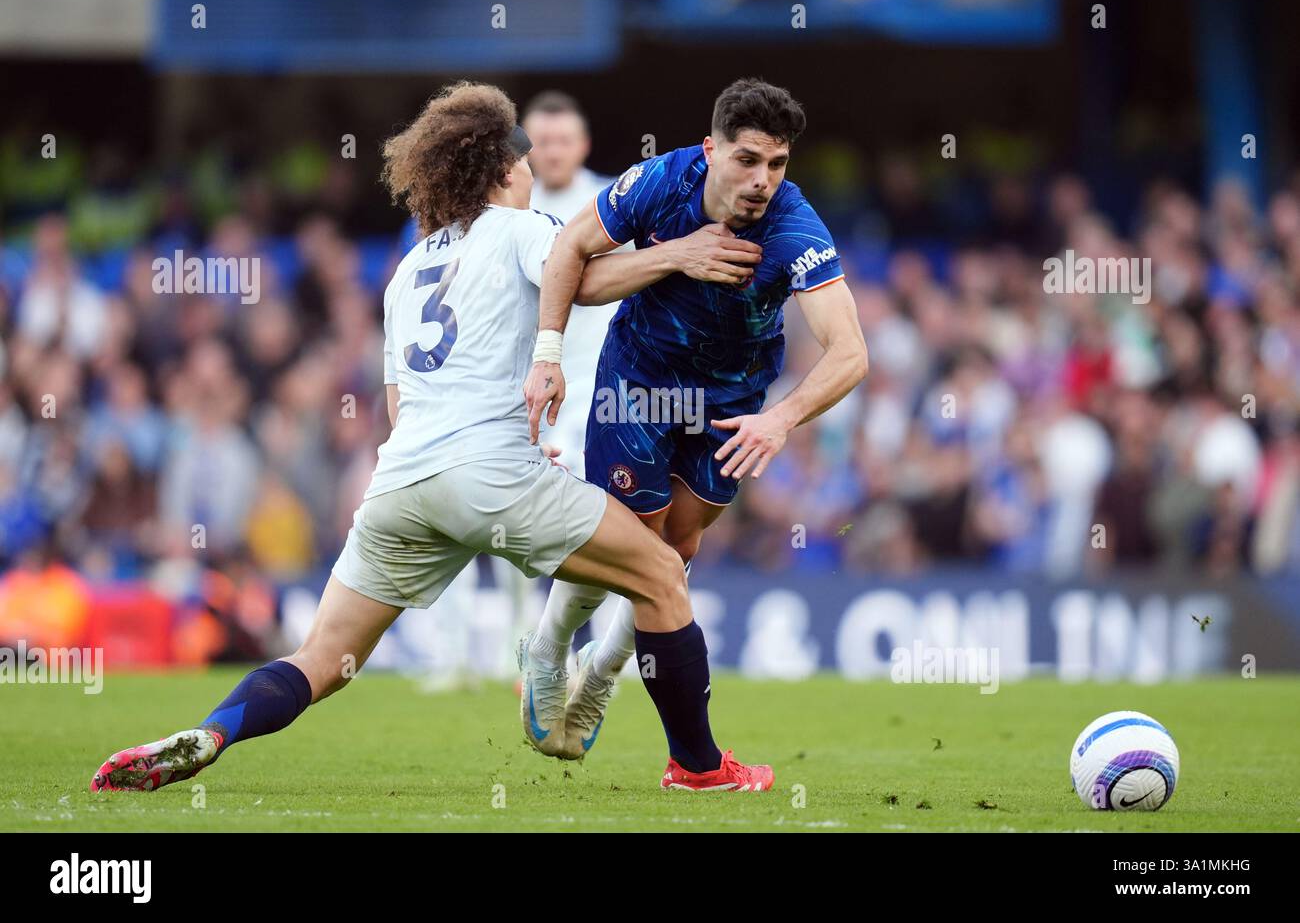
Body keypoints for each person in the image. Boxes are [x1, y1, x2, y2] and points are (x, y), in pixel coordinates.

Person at [89, 81, 773, 795]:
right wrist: (680, 253)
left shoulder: (408, 270)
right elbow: (584, 281)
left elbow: (397, 403)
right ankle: (698, 767)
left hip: (401, 484)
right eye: (525, 158)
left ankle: (213, 729)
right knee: (663, 571)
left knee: (320, 657)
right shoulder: (523, 227)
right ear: (504, 169)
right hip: (490, 474)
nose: (533, 167)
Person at [521, 78, 869, 789]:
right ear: (711, 150)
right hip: (637, 387)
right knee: (632, 541)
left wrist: (780, 417)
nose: (762, 179)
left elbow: (851, 350)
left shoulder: (793, 229)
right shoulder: (659, 182)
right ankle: (549, 650)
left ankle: (606, 671)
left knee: (675, 552)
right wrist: (552, 351)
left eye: (777, 163)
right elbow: (571, 262)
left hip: (728, 407)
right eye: (747, 159)